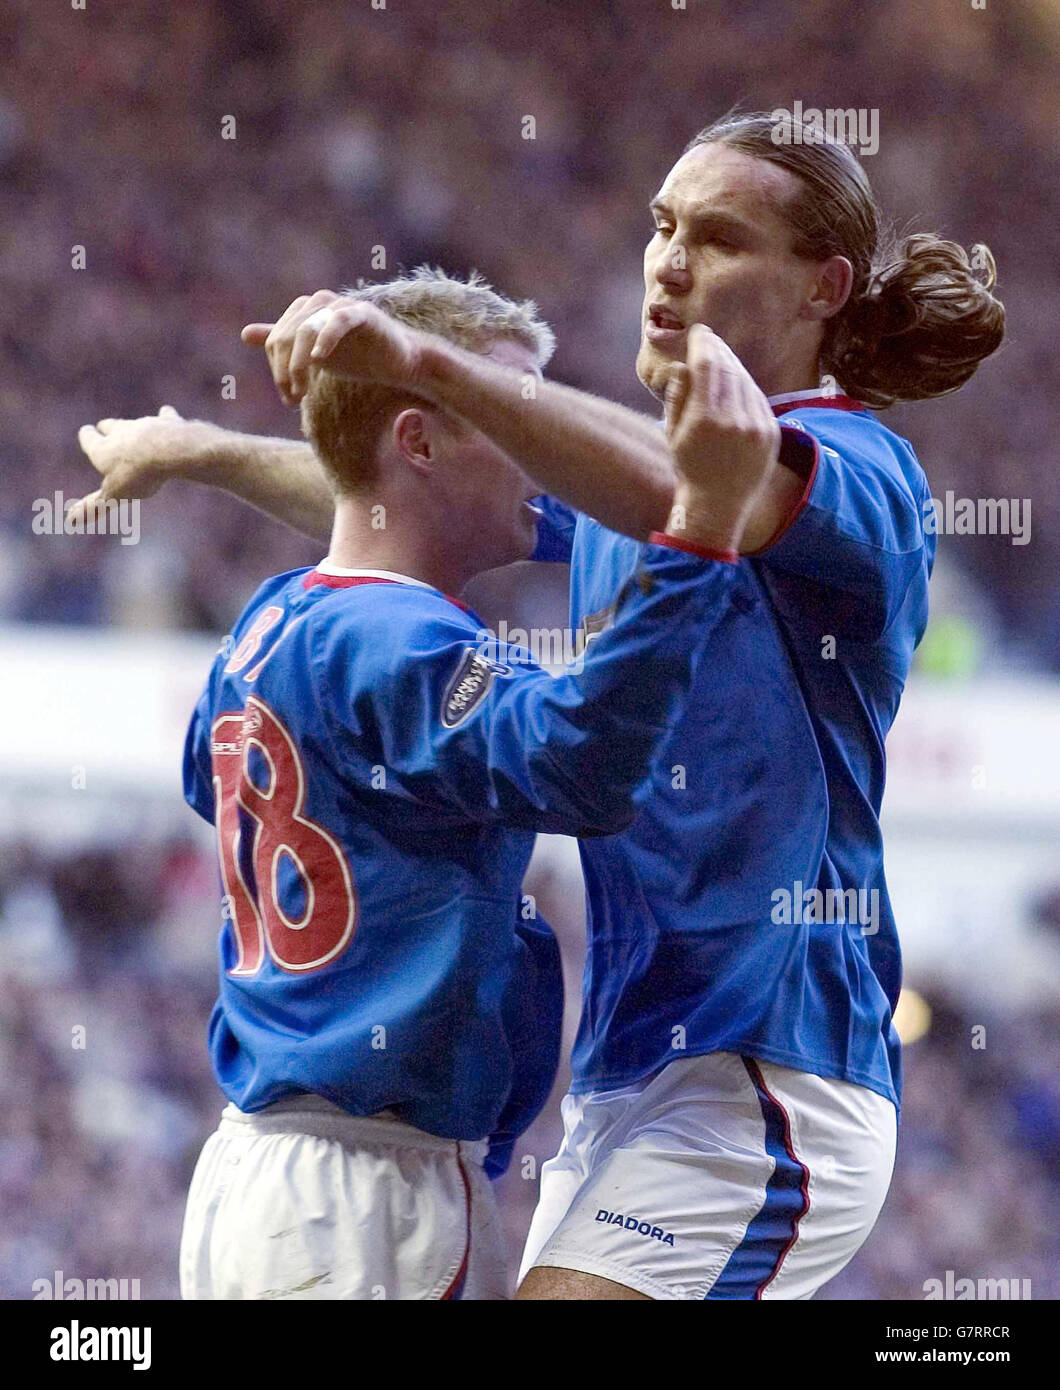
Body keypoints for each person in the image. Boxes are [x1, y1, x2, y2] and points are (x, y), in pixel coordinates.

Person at [76, 113, 1004, 1300]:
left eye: (720, 239)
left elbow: (698, 490)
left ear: (822, 287)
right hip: (630, 1070)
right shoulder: (638, 484)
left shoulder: (856, 472)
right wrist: (207, 450)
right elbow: (421, 490)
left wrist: (430, 364)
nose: (669, 262)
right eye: (662, 226)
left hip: (769, 1064)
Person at [174, 267, 782, 1300]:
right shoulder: (405, 640)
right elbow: (583, 768)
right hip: (369, 1190)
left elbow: (211, 778)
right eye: (510, 414)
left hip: (255, 1172)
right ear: (416, 442)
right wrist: (699, 538)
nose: (541, 450)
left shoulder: (271, 618)